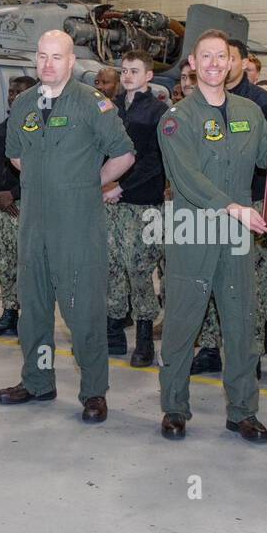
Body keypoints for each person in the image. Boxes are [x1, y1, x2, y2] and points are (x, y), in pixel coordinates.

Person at [0, 31, 135, 424]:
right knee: (34, 311)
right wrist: (46, 180)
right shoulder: (23, 104)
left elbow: (124, 154)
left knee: (84, 313)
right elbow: (17, 158)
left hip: (77, 227)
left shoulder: (92, 104)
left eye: (57, 57)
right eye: (41, 56)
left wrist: (89, 184)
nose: (48, 64)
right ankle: (38, 381)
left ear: (71, 62)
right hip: (33, 226)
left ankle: (94, 392)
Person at [156, 29, 267, 442]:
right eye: (205, 57)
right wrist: (235, 207)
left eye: (221, 57)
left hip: (238, 234)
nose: (214, 64)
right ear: (192, 64)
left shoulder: (251, 113)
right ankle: (174, 407)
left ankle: (243, 411)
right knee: (182, 324)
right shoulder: (176, 119)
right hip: (194, 229)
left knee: (241, 324)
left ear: (233, 63)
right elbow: (187, 178)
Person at [105, 51, 167, 367]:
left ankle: (144, 340)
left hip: (141, 201)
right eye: (125, 70)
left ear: (148, 76)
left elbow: (157, 161)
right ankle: (114, 331)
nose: (128, 75)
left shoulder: (159, 111)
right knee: (112, 266)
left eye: (134, 71)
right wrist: (105, 186)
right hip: (110, 202)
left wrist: (121, 187)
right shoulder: (111, 108)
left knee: (138, 268)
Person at [0, 74, 35, 337]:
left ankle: (34, 316)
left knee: (32, 266)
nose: (13, 96)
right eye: (12, 92)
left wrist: (13, 193)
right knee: (5, 262)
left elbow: (41, 170)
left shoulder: (40, 130)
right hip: (4, 210)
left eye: (20, 92)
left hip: (31, 207)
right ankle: (10, 314)